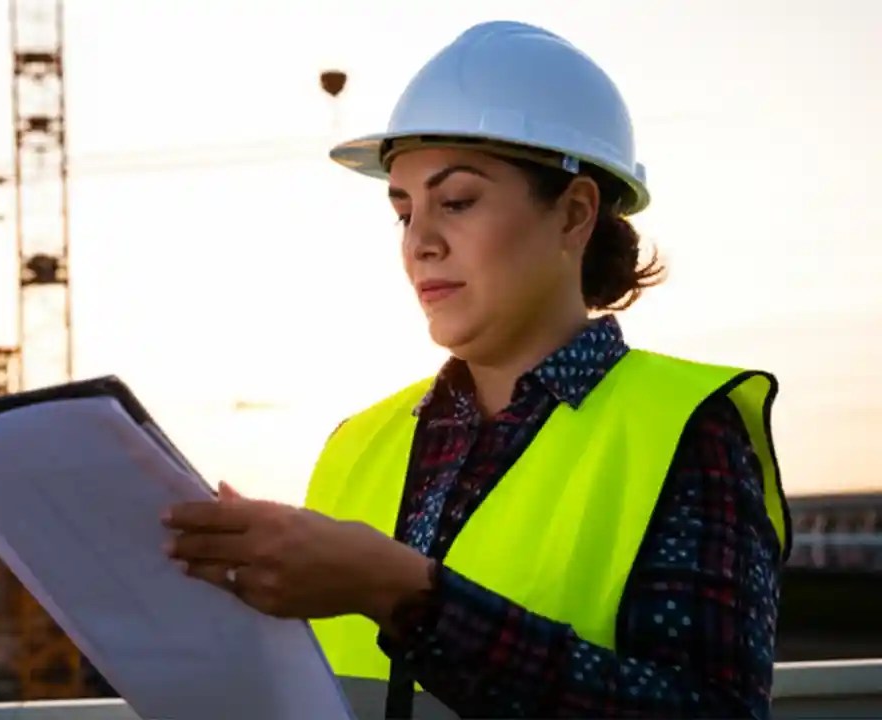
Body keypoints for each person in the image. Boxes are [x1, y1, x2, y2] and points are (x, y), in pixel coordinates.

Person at [162, 19, 790, 720]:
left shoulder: (683, 428)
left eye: (456, 201)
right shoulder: (355, 444)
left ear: (575, 215)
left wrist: (406, 595)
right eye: (403, 213)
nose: (420, 243)